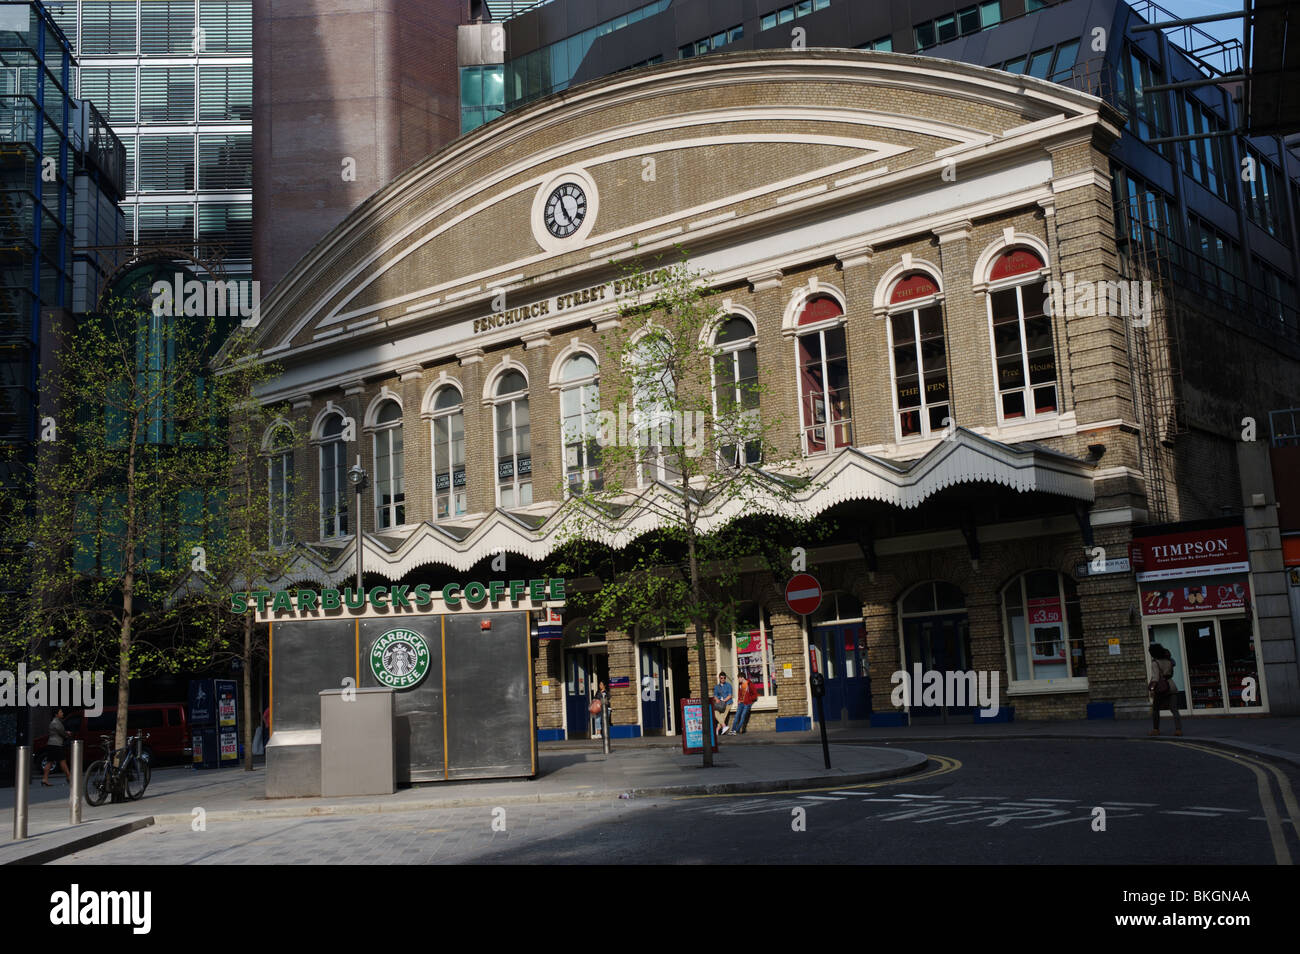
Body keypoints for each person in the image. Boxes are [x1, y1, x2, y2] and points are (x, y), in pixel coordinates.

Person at [1148, 644, 1183, 736]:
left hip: (1161, 688)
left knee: (1155, 710)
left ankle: (1156, 730)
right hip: (1171, 686)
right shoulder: (1169, 661)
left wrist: (1152, 689)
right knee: (1174, 710)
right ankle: (1178, 730)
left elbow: (1155, 678)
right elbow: (1171, 674)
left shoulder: (1155, 663)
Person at [42, 708, 71, 786]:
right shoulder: (56, 722)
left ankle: (44, 779)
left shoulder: (54, 722)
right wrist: (67, 734)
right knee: (62, 761)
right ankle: (69, 777)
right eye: (60, 712)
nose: (62, 713)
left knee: (49, 762)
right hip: (57, 745)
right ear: (56, 714)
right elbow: (62, 732)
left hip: (51, 744)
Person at [712, 672, 733, 736]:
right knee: (715, 713)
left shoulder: (728, 685)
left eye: (724, 678)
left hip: (727, 703)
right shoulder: (716, 687)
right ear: (719, 678)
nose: (723, 679)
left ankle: (717, 729)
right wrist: (717, 699)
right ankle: (724, 726)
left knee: (723, 716)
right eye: (721, 678)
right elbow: (715, 695)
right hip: (719, 704)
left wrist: (724, 700)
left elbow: (730, 695)